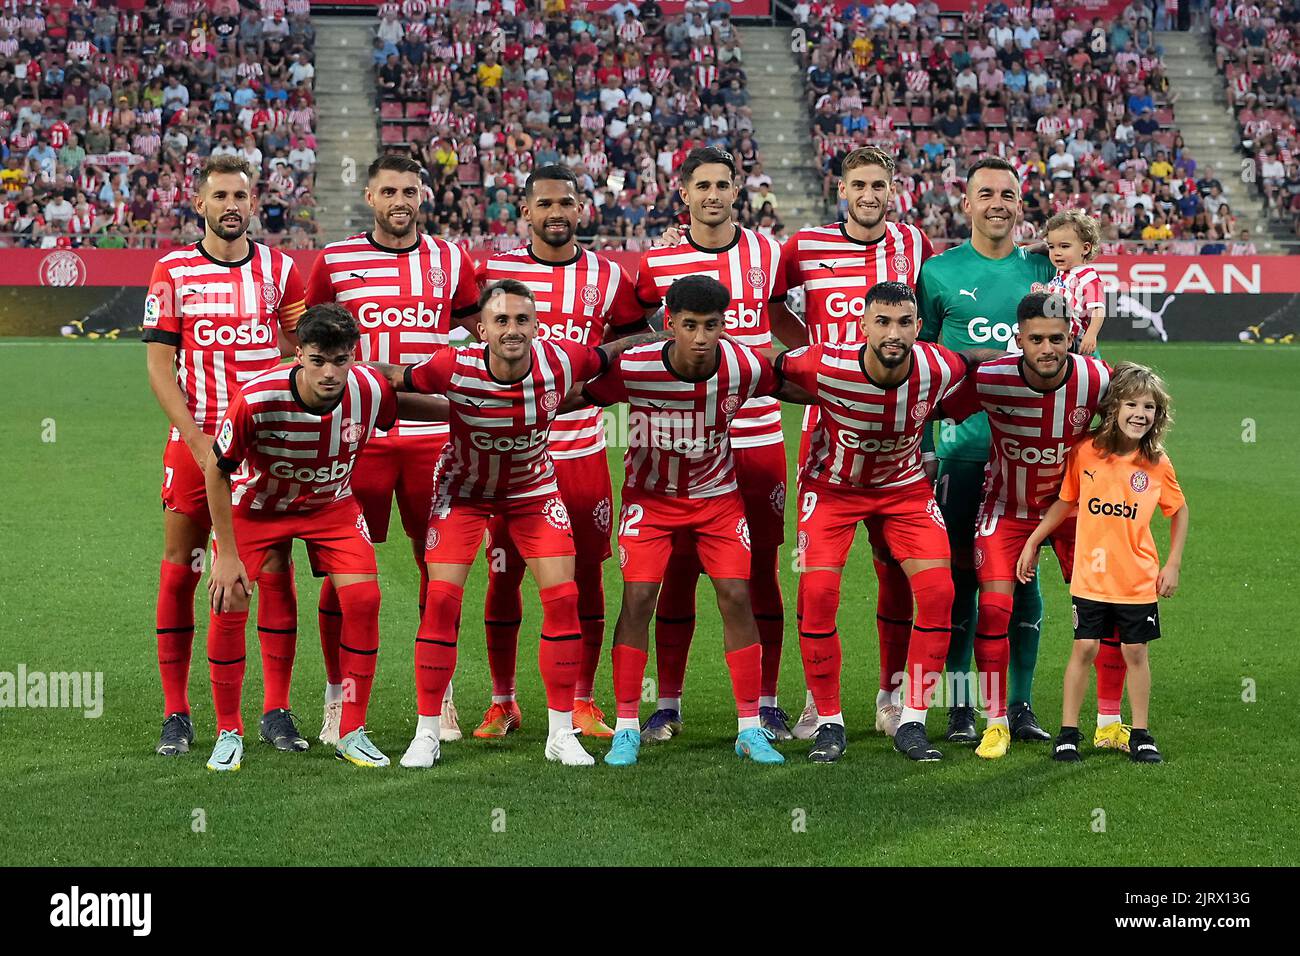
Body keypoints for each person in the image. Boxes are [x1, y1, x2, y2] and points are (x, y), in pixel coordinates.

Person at [371, 280, 665, 768]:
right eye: (501, 320)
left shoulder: (562, 360)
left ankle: (559, 732)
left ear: (536, 325)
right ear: (481, 328)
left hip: (532, 489)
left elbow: (610, 353)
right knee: (442, 599)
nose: (512, 329)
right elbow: (396, 379)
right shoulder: (452, 365)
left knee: (564, 597)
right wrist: (339, 365)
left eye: (522, 320)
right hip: (463, 491)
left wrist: (664, 333)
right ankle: (427, 732)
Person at [585, 275, 811, 766]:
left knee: (736, 594)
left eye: (712, 325)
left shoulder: (742, 365)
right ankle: (627, 725)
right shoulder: (637, 367)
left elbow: (794, 384)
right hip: (651, 502)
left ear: (724, 326)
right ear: (671, 325)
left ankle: (750, 728)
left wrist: (856, 392)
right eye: (690, 325)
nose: (702, 337)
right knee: (639, 598)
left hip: (718, 501)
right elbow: (579, 393)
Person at [305, 154, 479, 746]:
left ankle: (441, 697)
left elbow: (478, 334)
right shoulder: (336, 261)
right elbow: (307, 341)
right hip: (357, 441)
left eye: (409, 190)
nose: (399, 200)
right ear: (369, 197)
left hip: (433, 442)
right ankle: (337, 700)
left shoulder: (451, 260)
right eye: (388, 191)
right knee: (341, 575)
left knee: (441, 570)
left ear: (423, 195)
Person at [471, 164, 647, 741]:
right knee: (504, 574)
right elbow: (460, 334)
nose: (556, 213)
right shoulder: (494, 272)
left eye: (566, 204)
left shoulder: (606, 275)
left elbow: (641, 337)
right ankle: (503, 701)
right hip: (510, 452)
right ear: (525, 212)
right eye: (544, 204)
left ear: (581, 210)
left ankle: (582, 700)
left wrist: (588, 375)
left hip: (581, 449)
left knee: (587, 578)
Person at [634, 146, 803, 742]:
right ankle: (667, 703)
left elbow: (780, 317)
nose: (713, 195)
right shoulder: (656, 261)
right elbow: (633, 334)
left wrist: (815, 358)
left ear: (738, 191)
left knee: (759, 573)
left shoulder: (765, 252)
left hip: (756, 433)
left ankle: (767, 700)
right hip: (679, 436)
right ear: (683, 193)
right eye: (702, 185)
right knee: (675, 571)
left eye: (723, 185)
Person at [777, 281, 983, 763]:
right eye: (883, 322)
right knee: (817, 593)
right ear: (864, 325)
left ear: (918, 326)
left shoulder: (937, 364)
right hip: (832, 490)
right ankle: (828, 721)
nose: (894, 333)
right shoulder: (825, 362)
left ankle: (910, 720)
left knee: (938, 593)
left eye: (905, 322)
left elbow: (976, 363)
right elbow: (763, 373)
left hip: (904, 490)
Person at [142, 154, 305, 758]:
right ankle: (177, 712)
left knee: (273, 567)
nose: (232, 206)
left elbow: (299, 348)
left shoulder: (281, 269)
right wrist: (193, 438)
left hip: (264, 449)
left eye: (242, 196)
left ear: (253, 202)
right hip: (196, 439)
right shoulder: (173, 270)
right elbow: (160, 367)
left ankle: (276, 710)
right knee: (180, 564)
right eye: (221, 197)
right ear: (200, 204)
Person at [776, 144, 935, 740]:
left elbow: (928, 319)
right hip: (829, 436)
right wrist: (811, 353)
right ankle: (822, 702)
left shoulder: (913, 244)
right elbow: (765, 300)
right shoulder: (806, 246)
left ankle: (892, 695)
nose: (870, 195)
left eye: (880, 185)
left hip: (899, 438)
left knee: (897, 574)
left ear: (893, 190)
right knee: (820, 579)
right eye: (859, 185)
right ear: (841, 190)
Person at [936, 292, 1118, 759]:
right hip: (1006, 510)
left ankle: (1112, 723)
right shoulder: (993, 378)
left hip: (1073, 513)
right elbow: (930, 404)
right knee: (994, 607)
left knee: (1108, 606)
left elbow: (1136, 419)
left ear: (1071, 337)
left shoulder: (1096, 378)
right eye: (1036, 339)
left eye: (1057, 338)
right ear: (1019, 340)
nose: (1048, 348)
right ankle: (995, 722)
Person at [915, 156, 1058, 746]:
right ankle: (959, 706)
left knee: (1024, 580)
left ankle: (1018, 705)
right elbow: (918, 370)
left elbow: (1073, 355)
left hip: (1030, 459)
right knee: (959, 584)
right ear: (965, 203)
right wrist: (920, 454)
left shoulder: (1046, 269)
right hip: (962, 455)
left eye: (1008, 194)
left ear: (1019, 204)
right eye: (986, 194)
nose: (998, 203)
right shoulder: (939, 273)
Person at [1017, 363, 1188, 765]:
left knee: (1135, 653)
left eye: (1149, 407)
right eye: (1131, 403)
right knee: (1085, 648)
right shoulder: (1086, 451)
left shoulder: (1157, 463)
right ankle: (1068, 733)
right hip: (1090, 577)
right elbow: (1065, 501)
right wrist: (1034, 540)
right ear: (1113, 407)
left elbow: (1179, 511)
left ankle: (1141, 734)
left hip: (1137, 580)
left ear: (1157, 415)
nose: (1140, 414)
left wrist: (1173, 563)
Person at [1044, 209, 1107, 355]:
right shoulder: (1059, 273)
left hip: (1073, 342)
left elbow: (1098, 308)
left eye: (1064, 246)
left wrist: (1091, 334)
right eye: (1051, 246)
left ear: (1085, 248)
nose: (1056, 252)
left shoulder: (1089, 276)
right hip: (1054, 339)